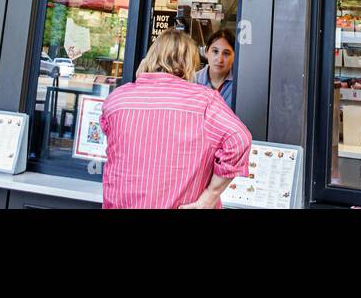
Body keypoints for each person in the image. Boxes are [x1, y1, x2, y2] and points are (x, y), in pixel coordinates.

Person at [99, 29, 251, 209]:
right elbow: (239, 139)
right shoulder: (204, 102)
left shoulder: (117, 99)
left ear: (151, 57)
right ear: (191, 61)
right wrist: (210, 196)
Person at [194, 28, 236, 107]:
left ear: (235, 57)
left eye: (226, 53)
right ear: (206, 52)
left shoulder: (239, 85)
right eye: (215, 51)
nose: (220, 59)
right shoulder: (192, 81)